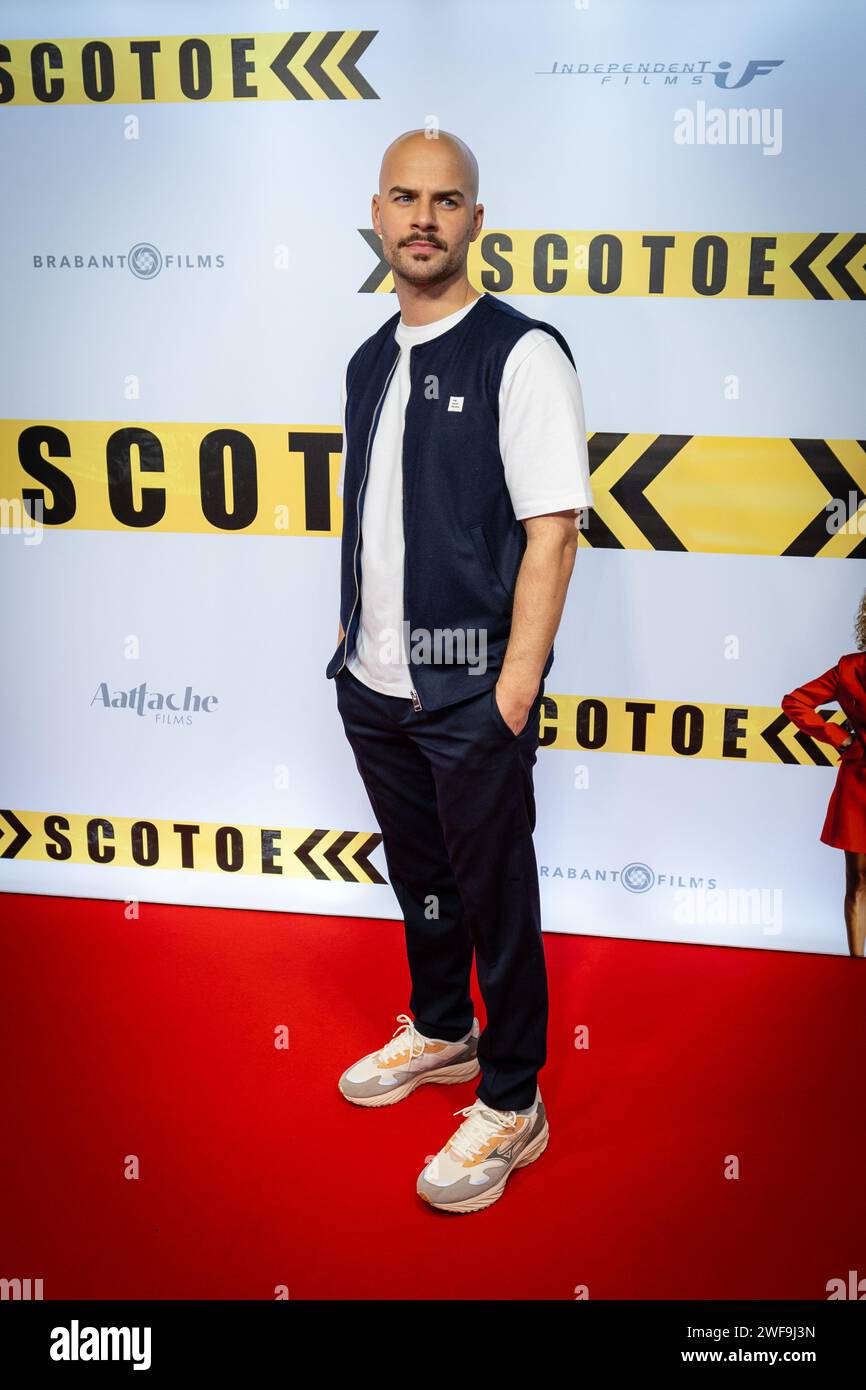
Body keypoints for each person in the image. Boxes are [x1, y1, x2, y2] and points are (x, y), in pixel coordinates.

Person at [325, 128, 594, 1213]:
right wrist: (356, 655)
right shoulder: (365, 358)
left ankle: (512, 1096)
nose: (423, 217)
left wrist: (512, 687)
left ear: (475, 220)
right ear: (377, 215)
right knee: (419, 873)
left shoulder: (521, 352)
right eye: (404, 197)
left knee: (494, 891)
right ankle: (440, 1029)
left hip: (469, 689)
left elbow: (554, 528)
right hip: (373, 682)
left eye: (447, 200)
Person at [781, 597, 866, 958]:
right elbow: (795, 701)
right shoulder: (850, 669)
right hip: (860, 782)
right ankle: (855, 966)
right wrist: (841, 737)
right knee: (858, 882)